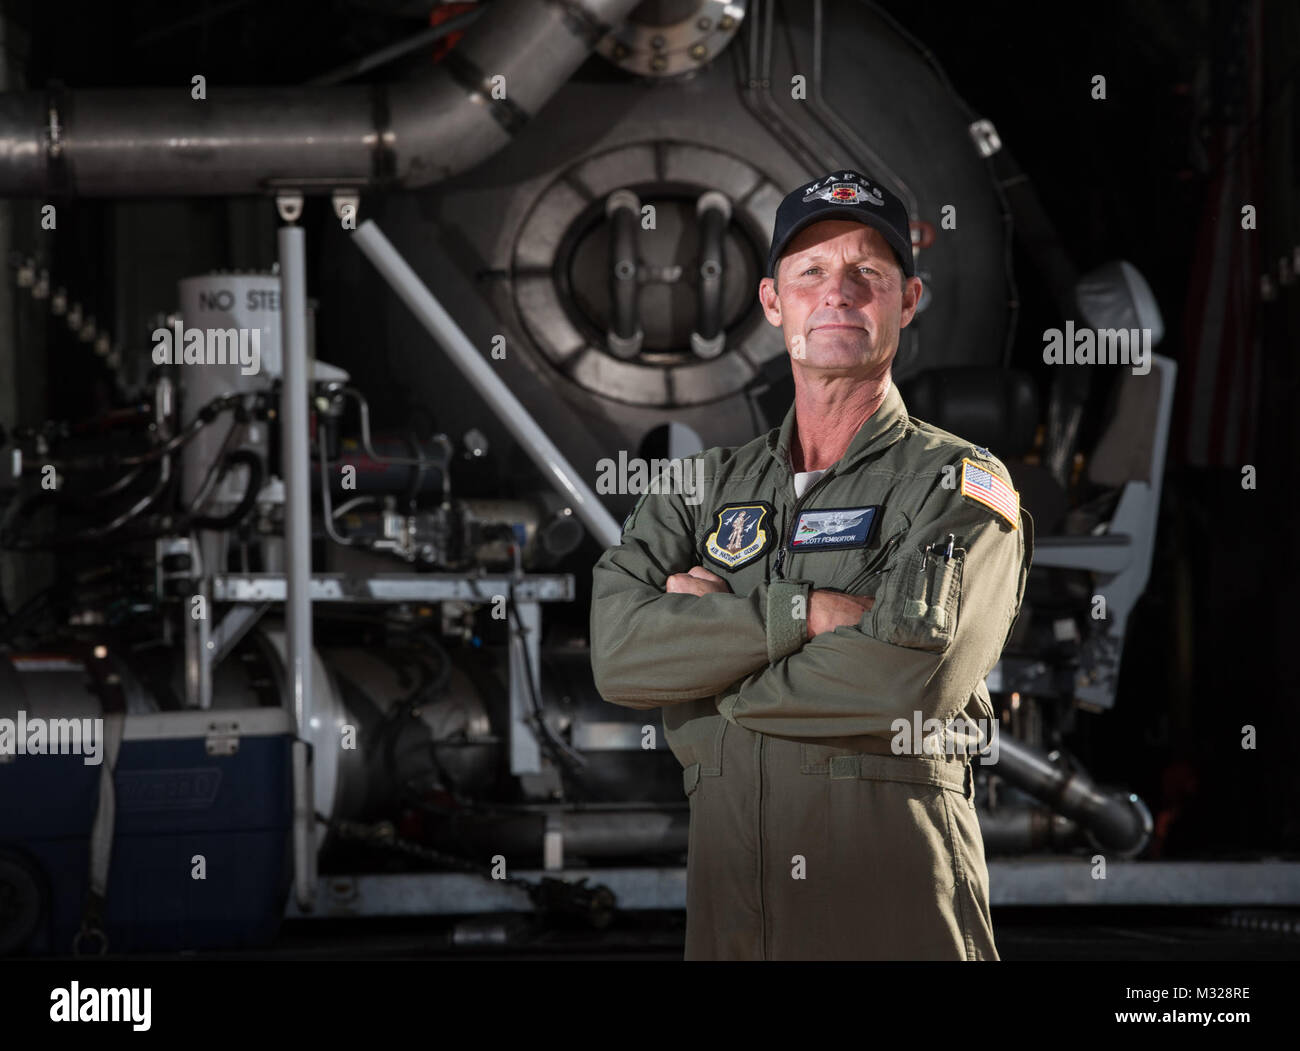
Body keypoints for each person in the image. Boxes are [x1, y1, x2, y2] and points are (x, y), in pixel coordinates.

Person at [589, 168, 1033, 960]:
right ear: (771, 302)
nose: (839, 293)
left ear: (908, 301)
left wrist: (707, 675)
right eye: (811, 273)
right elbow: (620, 655)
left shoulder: (958, 483)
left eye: (868, 273)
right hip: (733, 930)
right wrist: (807, 614)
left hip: (894, 930)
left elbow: (909, 683)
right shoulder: (700, 487)